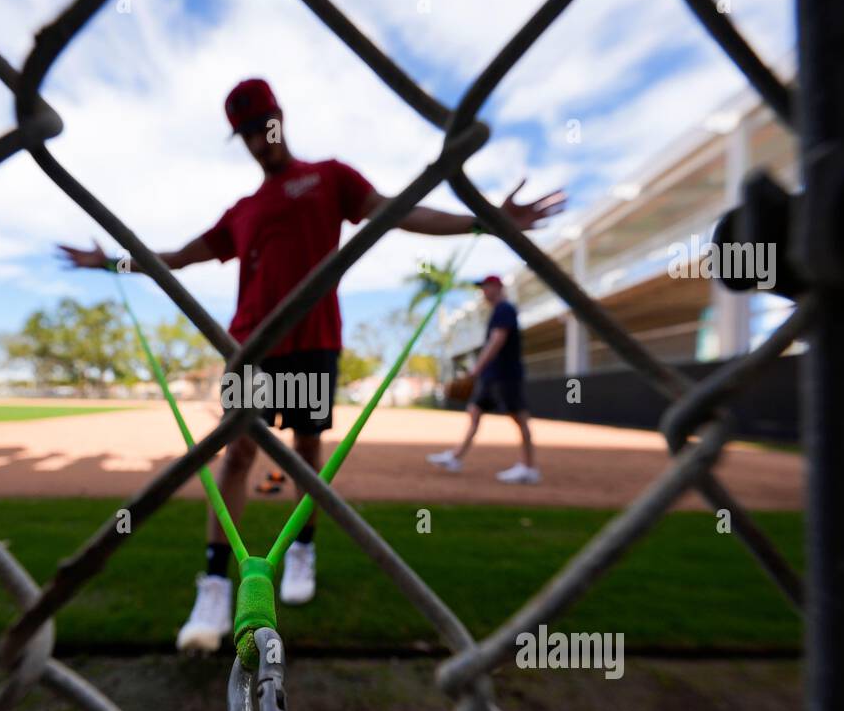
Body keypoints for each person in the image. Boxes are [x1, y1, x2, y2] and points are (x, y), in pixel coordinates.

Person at [59, 78, 562, 653]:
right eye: (245, 133)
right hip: (251, 345)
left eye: (263, 125)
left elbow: (396, 211)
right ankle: (216, 580)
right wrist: (109, 265)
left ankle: (301, 550)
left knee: (305, 452)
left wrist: (482, 219)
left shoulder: (328, 177)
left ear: (280, 118)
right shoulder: (242, 210)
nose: (257, 139)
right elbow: (172, 259)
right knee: (237, 454)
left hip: (314, 340)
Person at [427, 275, 539, 483]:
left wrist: (477, 368)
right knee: (475, 411)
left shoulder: (505, 309)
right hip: (492, 375)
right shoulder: (497, 311)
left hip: (505, 374)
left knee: (519, 418)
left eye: (486, 287)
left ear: (497, 287)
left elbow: (497, 340)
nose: (484, 292)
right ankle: (455, 457)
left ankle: (528, 467)